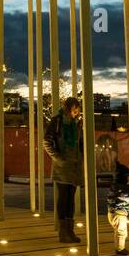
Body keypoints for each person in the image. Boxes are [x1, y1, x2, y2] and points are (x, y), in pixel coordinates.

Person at [43, 97, 84, 244]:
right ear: (67, 107)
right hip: (62, 165)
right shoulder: (57, 121)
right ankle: (63, 232)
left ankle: (70, 231)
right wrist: (57, 158)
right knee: (64, 196)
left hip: (74, 165)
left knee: (71, 197)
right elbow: (47, 140)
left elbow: (81, 143)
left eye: (78, 108)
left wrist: (82, 158)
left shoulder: (77, 123)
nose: (76, 110)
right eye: (74, 107)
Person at [106, 162, 129, 256]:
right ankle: (120, 249)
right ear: (123, 178)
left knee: (118, 232)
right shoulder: (123, 189)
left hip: (112, 213)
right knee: (122, 232)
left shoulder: (114, 187)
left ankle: (118, 247)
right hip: (119, 214)